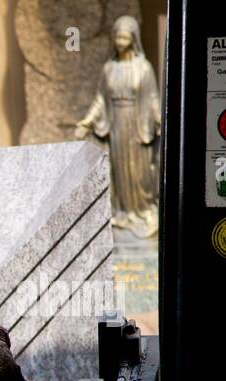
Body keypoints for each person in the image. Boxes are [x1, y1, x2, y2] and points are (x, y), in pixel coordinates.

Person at [75, 15, 161, 238]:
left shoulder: (144, 68)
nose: (121, 42)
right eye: (118, 37)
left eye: (125, 37)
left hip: (137, 126)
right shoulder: (109, 68)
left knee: (140, 174)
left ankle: (144, 211)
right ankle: (122, 213)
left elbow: (153, 98)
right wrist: (87, 121)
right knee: (120, 172)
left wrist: (159, 118)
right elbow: (100, 100)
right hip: (116, 127)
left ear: (134, 39)